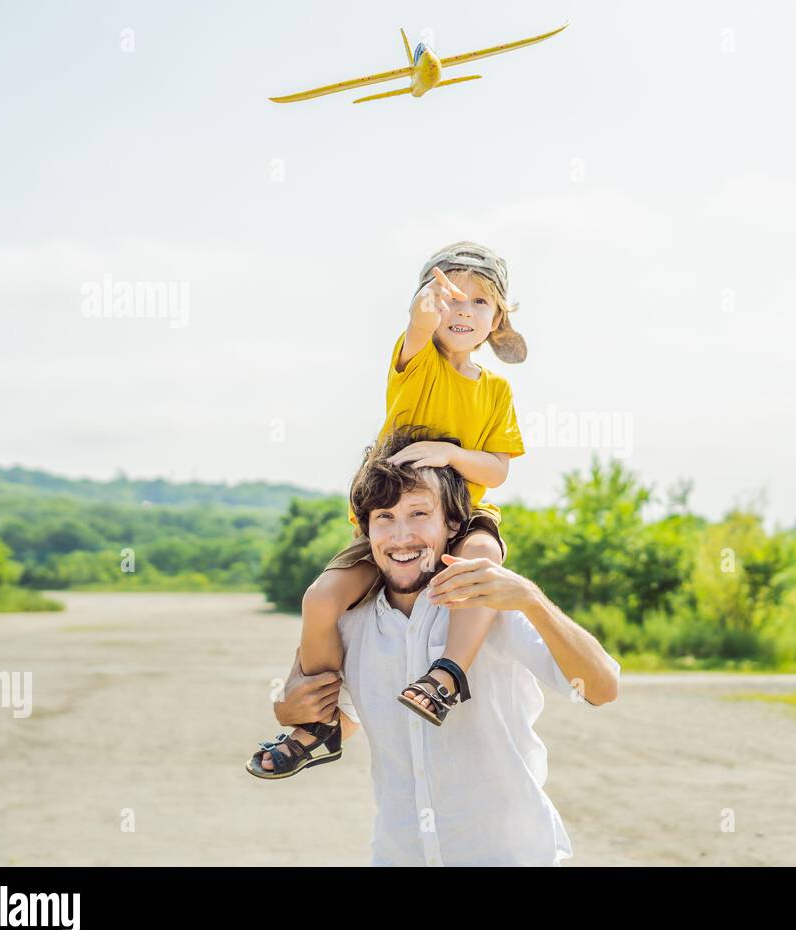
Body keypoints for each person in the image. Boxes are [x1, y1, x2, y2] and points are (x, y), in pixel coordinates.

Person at [254, 425, 620, 865]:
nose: (401, 536)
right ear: (366, 532)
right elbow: (352, 720)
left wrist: (532, 599)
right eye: (384, 518)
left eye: (418, 514)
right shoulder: (351, 626)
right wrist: (290, 707)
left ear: (452, 524)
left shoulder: (489, 610)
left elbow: (601, 688)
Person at [247, 240, 531, 774]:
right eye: (450, 299)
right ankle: (318, 724)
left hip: (462, 514)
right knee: (323, 596)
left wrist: (450, 454)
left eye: (478, 302)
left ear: (497, 319)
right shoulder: (417, 361)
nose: (462, 311)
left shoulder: (496, 390)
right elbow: (420, 326)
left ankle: (445, 677)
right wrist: (424, 309)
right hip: (393, 516)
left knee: (480, 561)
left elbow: (497, 468)